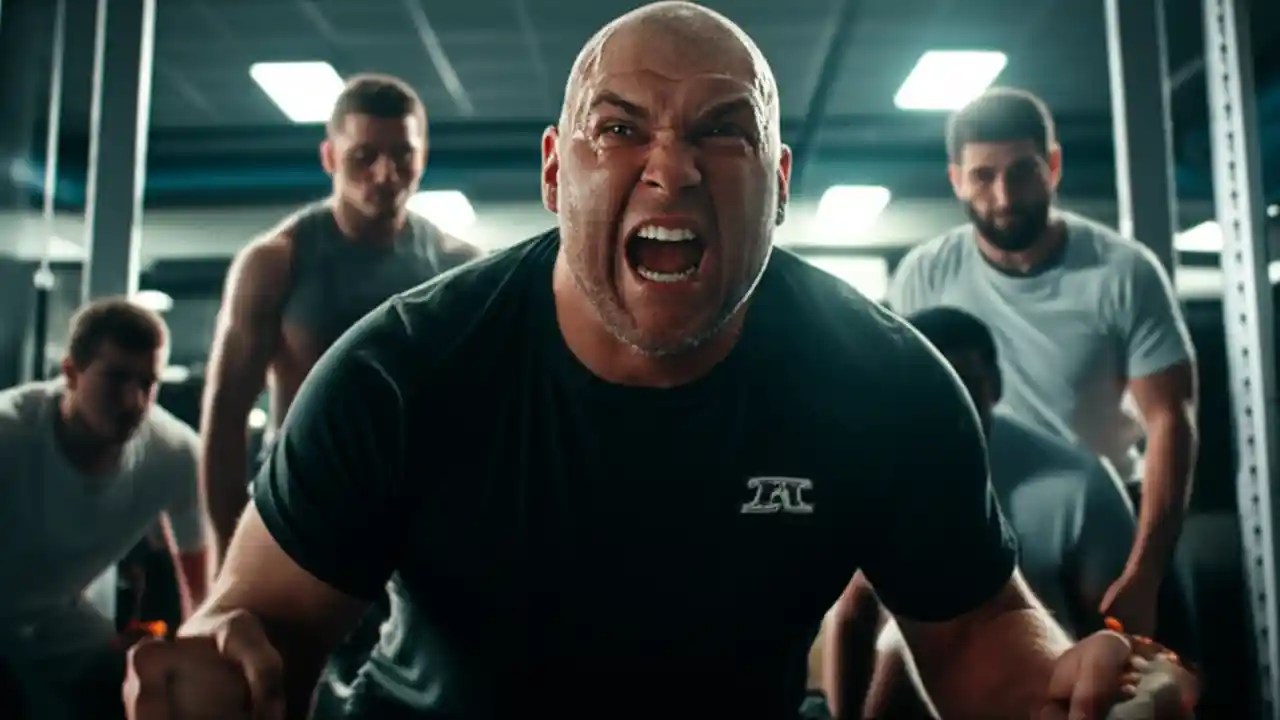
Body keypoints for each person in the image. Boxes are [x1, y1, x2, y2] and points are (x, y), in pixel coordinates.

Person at [124, 5, 1193, 720]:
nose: (669, 170)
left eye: (722, 134)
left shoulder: (884, 387)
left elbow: (969, 629)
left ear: (775, 180)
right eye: (617, 130)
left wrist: (1070, 686)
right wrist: (223, 664)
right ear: (555, 172)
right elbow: (262, 621)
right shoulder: (400, 375)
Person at [886, 87, 1199, 640]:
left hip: (1112, 522)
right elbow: (913, 416)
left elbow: (1170, 419)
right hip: (989, 519)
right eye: (983, 176)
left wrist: (1145, 571)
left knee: (1156, 693)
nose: (1004, 196)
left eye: (1022, 171)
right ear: (956, 179)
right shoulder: (925, 274)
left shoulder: (1123, 272)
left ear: (1052, 166)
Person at [201, 72, 483, 561]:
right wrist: (225, 575)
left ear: (423, 156)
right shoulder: (275, 262)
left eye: (402, 155)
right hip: (302, 505)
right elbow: (225, 421)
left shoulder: (457, 264)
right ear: (330, 157)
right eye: (363, 157)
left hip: (415, 513)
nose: (385, 174)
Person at [818, 306, 1143, 718]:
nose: (947, 403)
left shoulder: (1079, 486)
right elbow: (851, 616)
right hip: (905, 691)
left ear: (996, 384)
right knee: (897, 639)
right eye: (927, 389)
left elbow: (1117, 626)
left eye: (964, 384)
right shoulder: (883, 475)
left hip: (1040, 691)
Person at [0, 297, 209, 720]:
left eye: (147, 384)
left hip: (55, 618)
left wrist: (185, 659)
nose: (133, 401)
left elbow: (199, 583)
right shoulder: (10, 434)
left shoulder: (174, 454)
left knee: (141, 683)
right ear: (71, 374)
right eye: (115, 379)